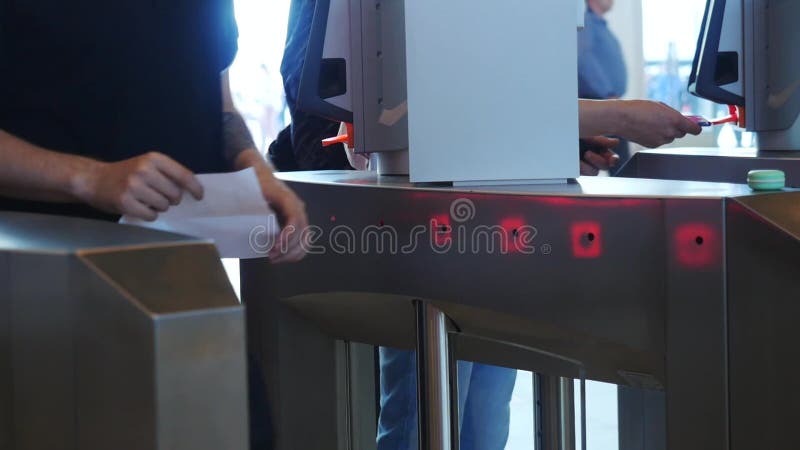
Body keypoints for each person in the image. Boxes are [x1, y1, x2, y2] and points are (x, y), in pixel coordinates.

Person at [0, 1, 308, 448]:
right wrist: (89, 178)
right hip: (46, 302)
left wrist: (254, 168)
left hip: (186, 290)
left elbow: (218, 104)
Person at [578, 0, 632, 167]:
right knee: (620, 164)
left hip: (607, 101)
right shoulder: (586, 21)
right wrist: (607, 93)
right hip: (601, 102)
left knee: (617, 162)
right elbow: (583, 57)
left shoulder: (599, 25)